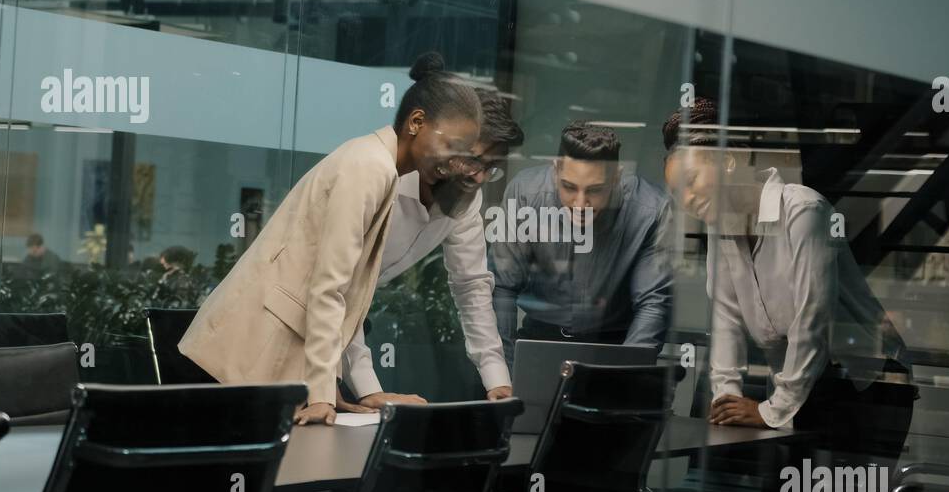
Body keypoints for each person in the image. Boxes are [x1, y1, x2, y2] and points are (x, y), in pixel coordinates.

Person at [666, 128, 915, 492]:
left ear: (730, 163)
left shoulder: (802, 210)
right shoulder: (725, 230)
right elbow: (724, 320)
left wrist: (771, 409)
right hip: (807, 383)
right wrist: (727, 395)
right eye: (678, 192)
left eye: (692, 181)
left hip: (868, 383)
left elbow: (812, 321)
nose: (687, 198)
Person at [178, 52, 483, 426]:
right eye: (451, 146)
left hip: (257, 365)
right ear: (416, 122)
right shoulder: (368, 167)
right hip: (235, 362)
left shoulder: (381, 168)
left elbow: (349, 293)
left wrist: (334, 387)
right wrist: (321, 393)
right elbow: (329, 288)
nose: (455, 163)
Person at [337, 87, 524, 410]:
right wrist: (368, 388)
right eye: (473, 160)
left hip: (345, 324)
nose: (478, 177)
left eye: (489, 168)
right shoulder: (380, 178)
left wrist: (497, 379)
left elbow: (471, 285)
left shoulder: (465, 198)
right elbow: (341, 288)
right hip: (304, 319)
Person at [489, 121, 673, 367]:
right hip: (539, 340)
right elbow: (502, 288)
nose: (580, 203)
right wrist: (504, 369)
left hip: (615, 343)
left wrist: (629, 375)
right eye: (569, 187)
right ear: (556, 171)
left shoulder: (650, 209)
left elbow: (653, 302)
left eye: (595, 190)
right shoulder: (525, 194)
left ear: (616, 177)